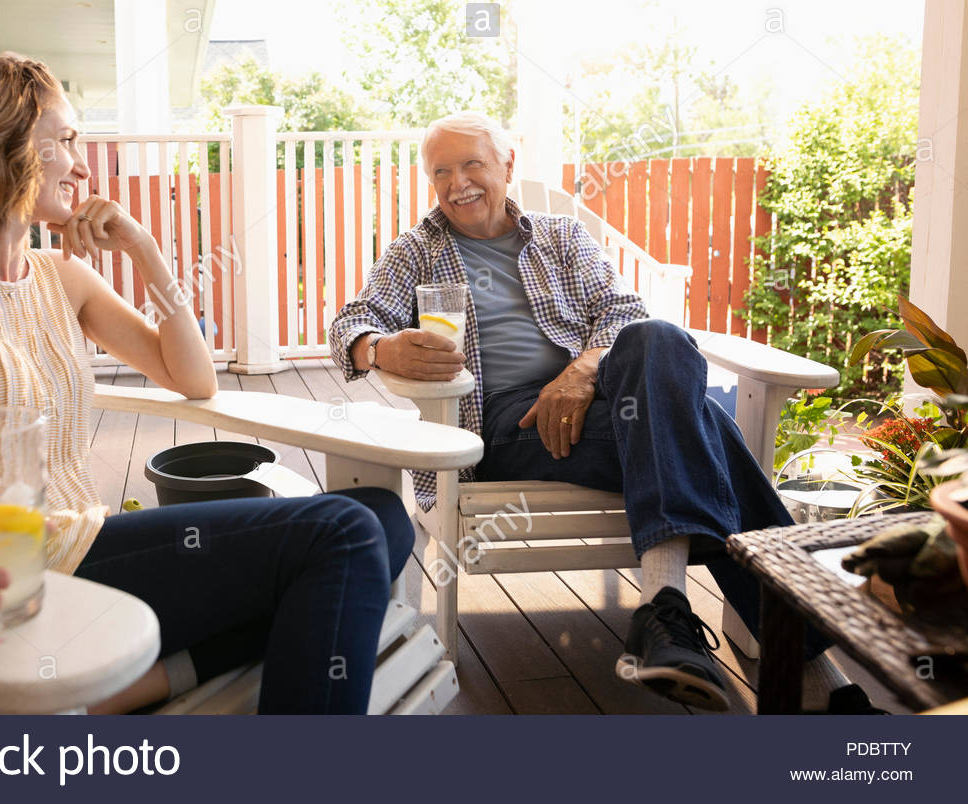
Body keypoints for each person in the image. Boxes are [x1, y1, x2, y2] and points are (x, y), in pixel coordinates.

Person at [0, 54, 413, 714]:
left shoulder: (62, 279)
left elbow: (194, 376)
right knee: (343, 535)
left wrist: (144, 250)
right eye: (64, 141)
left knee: (383, 520)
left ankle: (125, 692)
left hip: (83, 552)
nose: (85, 166)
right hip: (10, 585)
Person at [328, 111, 881, 714]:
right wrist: (379, 347)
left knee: (658, 336)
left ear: (507, 166)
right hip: (506, 427)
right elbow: (350, 323)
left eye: (472, 165)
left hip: (600, 401)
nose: (458, 182)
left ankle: (663, 613)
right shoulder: (418, 249)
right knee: (709, 431)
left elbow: (622, 309)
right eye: (442, 171)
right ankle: (819, 685)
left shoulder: (563, 237)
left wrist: (582, 370)